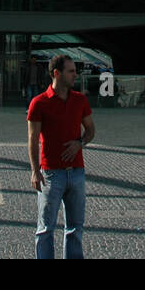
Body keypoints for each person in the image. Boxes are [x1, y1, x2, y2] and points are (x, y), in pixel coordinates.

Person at [27, 55, 95, 259]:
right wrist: (34, 171)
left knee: (75, 227)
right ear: (57, 73)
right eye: (71, 71)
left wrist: (80, 143)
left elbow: (91, 130)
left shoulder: (80, 100)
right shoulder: (39, 103)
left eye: (75, 71)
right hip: (51, 174)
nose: (75, 75)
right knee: (46, 227)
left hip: (76, 172)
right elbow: (32, 139)